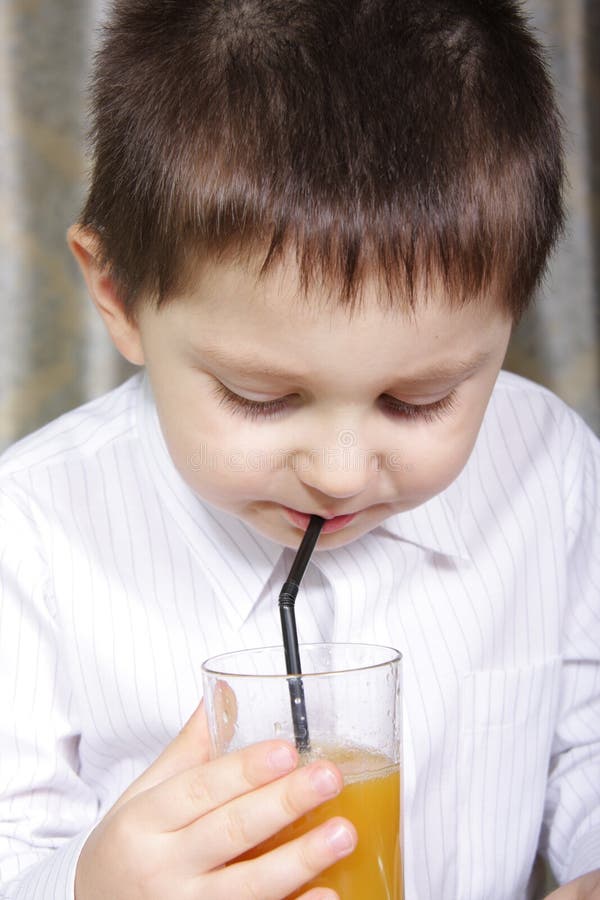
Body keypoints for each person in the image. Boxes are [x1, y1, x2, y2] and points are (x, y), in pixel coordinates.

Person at [0, 0, 599, 897]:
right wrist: (88, 888)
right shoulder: (32, 533)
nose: (342, 471)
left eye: (420, 398)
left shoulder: (550, 465)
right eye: (261, 397)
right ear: (119, 293)